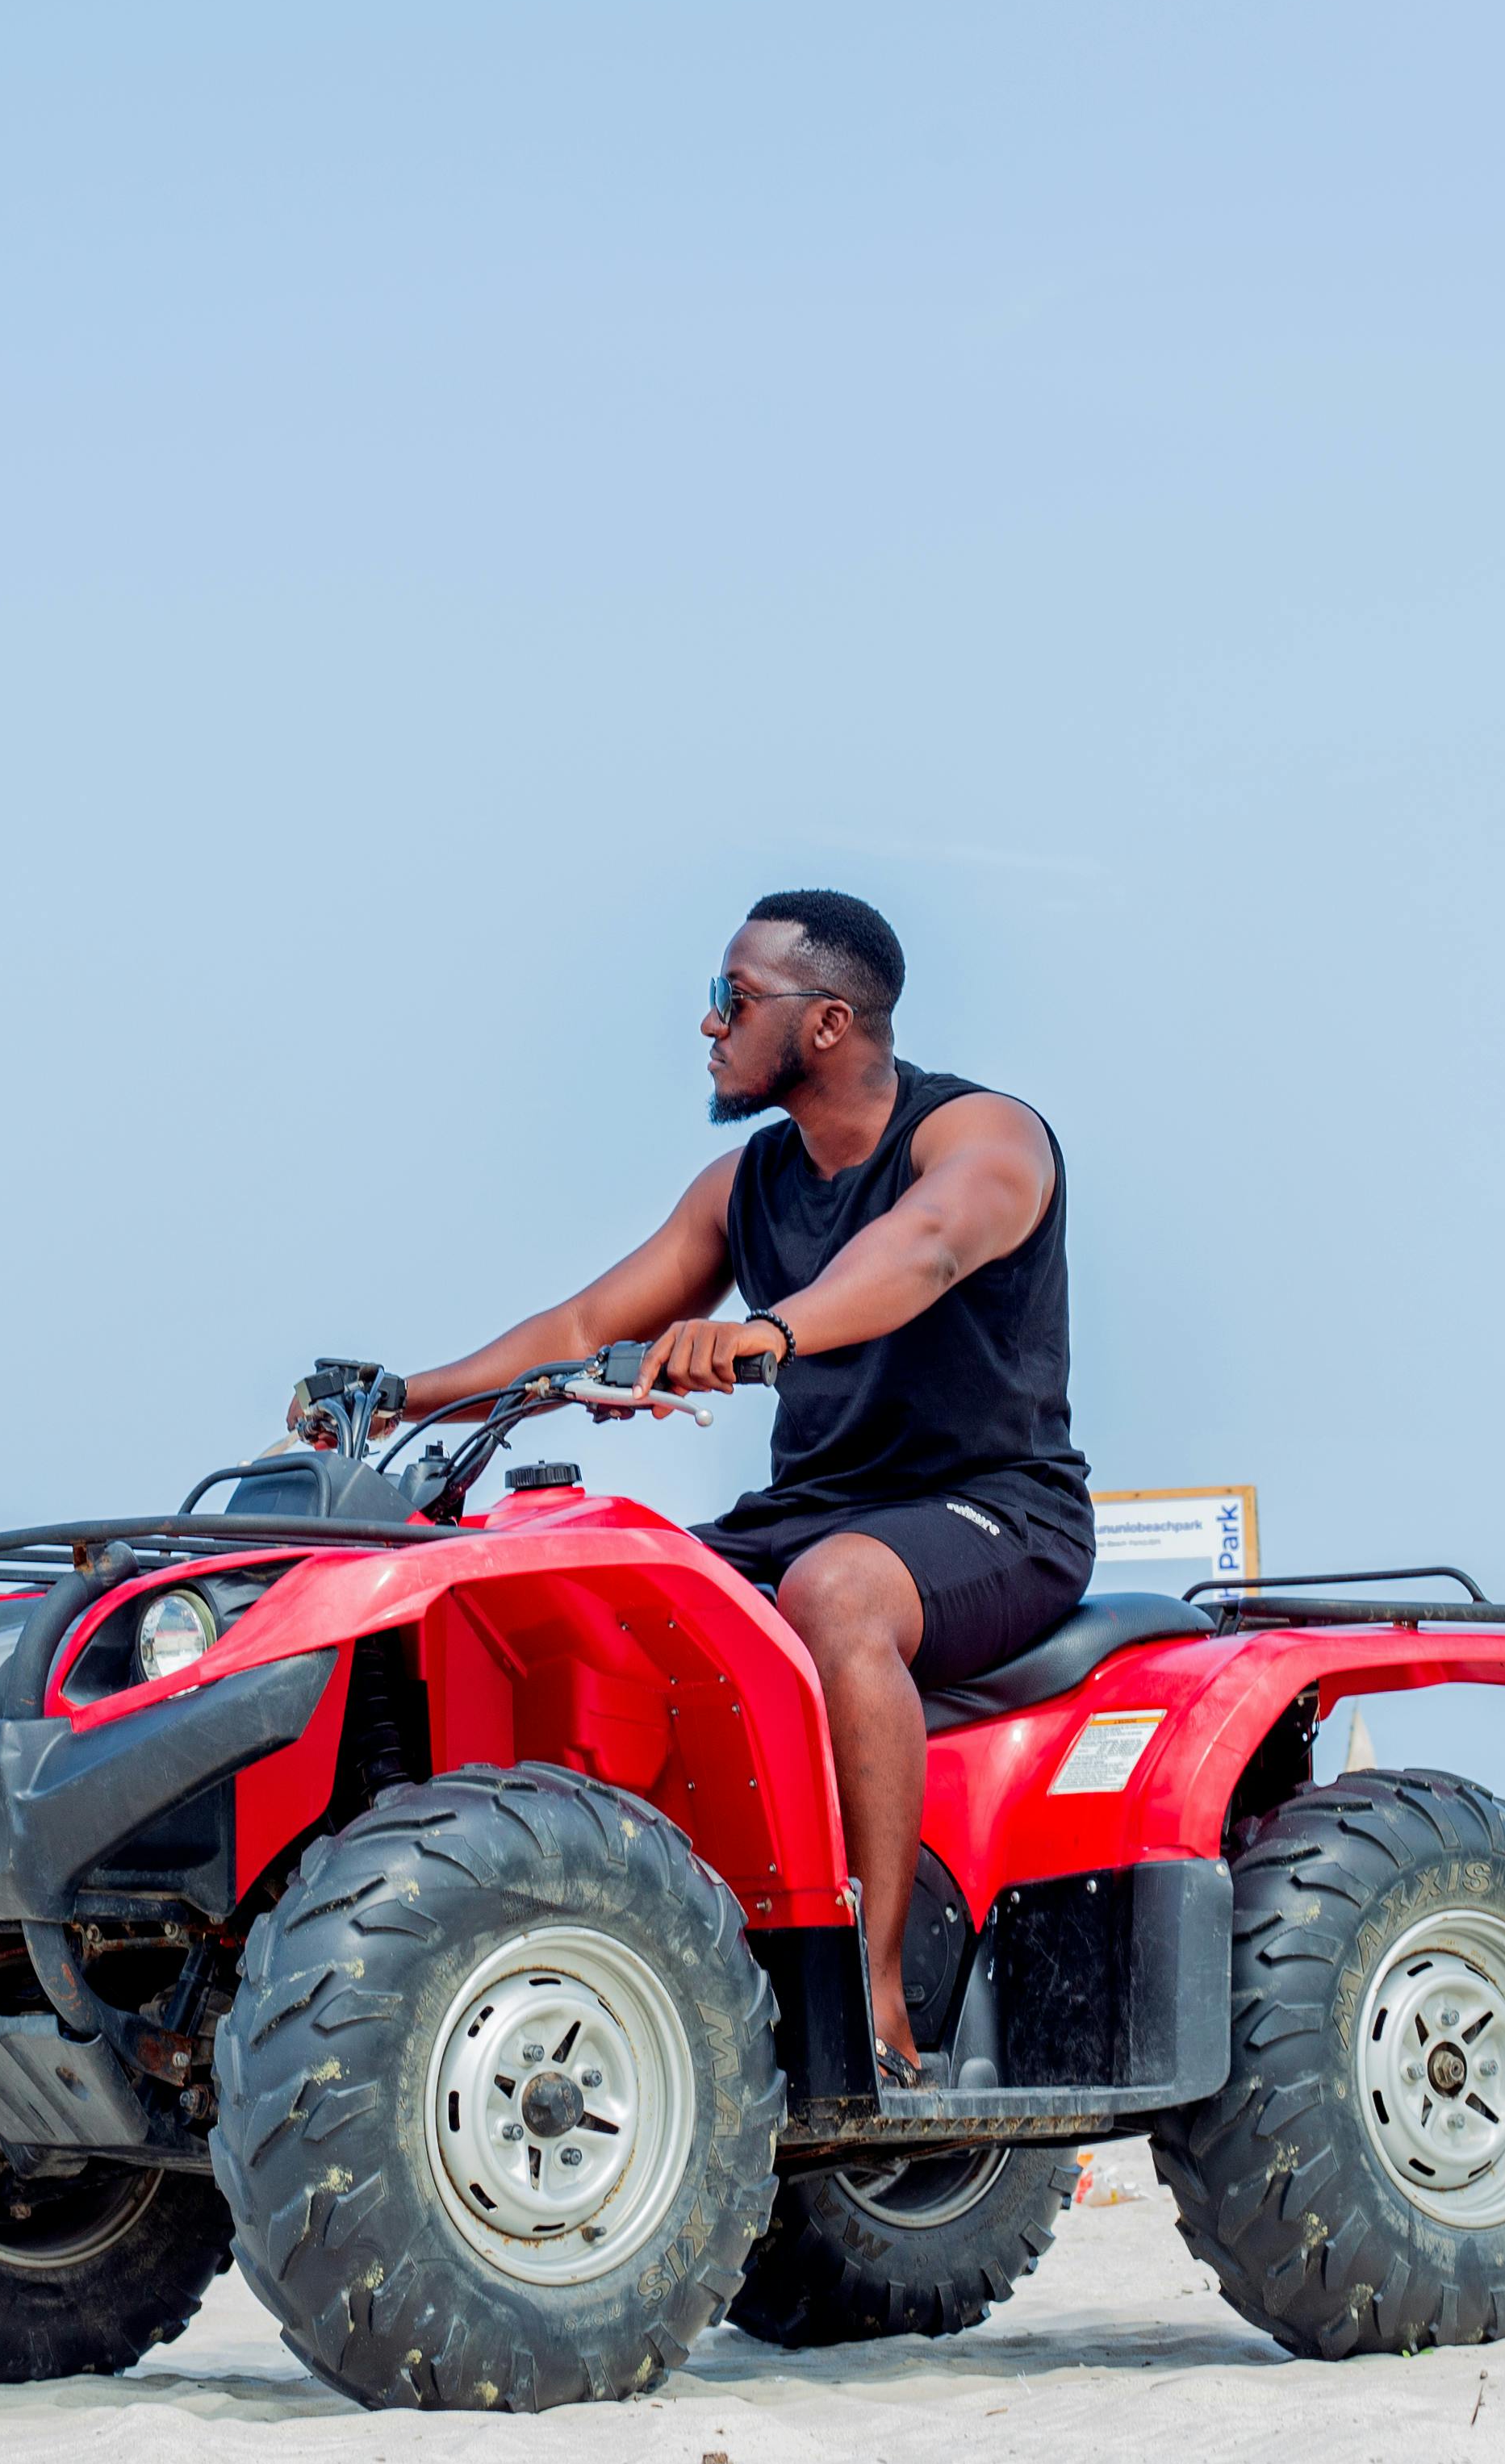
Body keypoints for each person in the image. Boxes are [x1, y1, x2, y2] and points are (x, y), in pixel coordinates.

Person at [374, 888, 1092, 2078]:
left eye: (733, 998)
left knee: (837, 1595)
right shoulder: (743, 1186)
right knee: (597, 1585)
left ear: (827, 1022)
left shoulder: (983, 1135)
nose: (709, 1023)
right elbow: (586, 1326)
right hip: (808, 1515)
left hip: (995, 1512)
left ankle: (873, 2004)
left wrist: (771, 1331)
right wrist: (405, 1396)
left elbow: (925, 1249)